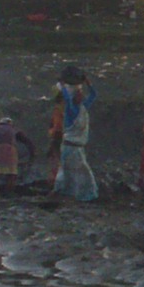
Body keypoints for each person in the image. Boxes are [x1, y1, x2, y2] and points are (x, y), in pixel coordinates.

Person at [54, 67, 98, 202]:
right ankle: (78, 196)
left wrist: (88, 83)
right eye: (78, 93)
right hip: (71, 147)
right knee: (76, 173)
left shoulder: (82, 108)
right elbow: (67, 98)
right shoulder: (72, 110)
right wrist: (62, 84)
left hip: (76, 147)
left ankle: (67, 193)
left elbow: (94, 95)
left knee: (72, 173)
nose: (81, 95)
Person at [0, 115, 30, 194]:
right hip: (9, 149)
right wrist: (32, 150)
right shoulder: (13, 129)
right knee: (12, 172)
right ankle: (9, 191)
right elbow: (25, 139)